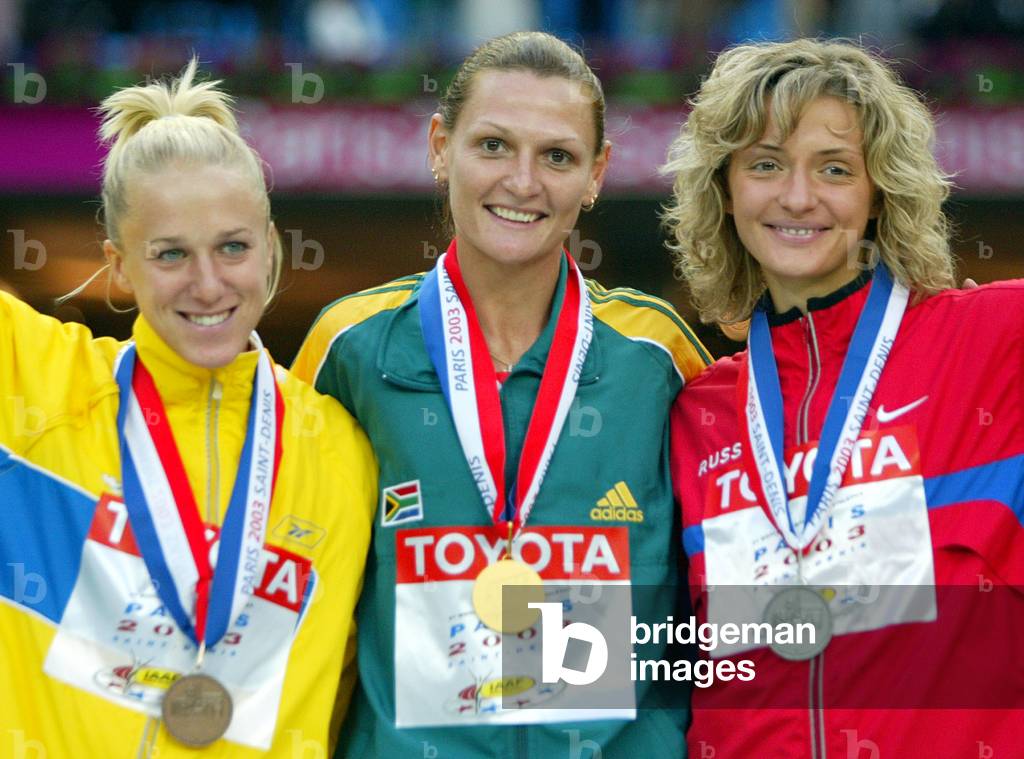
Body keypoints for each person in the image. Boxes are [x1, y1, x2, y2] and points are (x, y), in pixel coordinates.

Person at [293, 31, 710, 758]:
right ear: (438, 146)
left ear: (597, 174)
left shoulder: (657, 356)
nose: (523, 181)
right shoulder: (350, 347)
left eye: (557, 155)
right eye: (492, 145)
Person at [0, 61, 376, 757]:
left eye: (233, 247)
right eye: (171, 254)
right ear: (118, 264)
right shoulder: (31, 382)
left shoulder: (344, 454)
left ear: (271, 249)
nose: (208, 285)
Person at [664, 38, 1024, 756]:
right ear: (725, 190)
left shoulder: (993, 342)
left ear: (880, 190)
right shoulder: (696, 413)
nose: (798, 197)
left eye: (834, 169)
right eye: (765, 165)